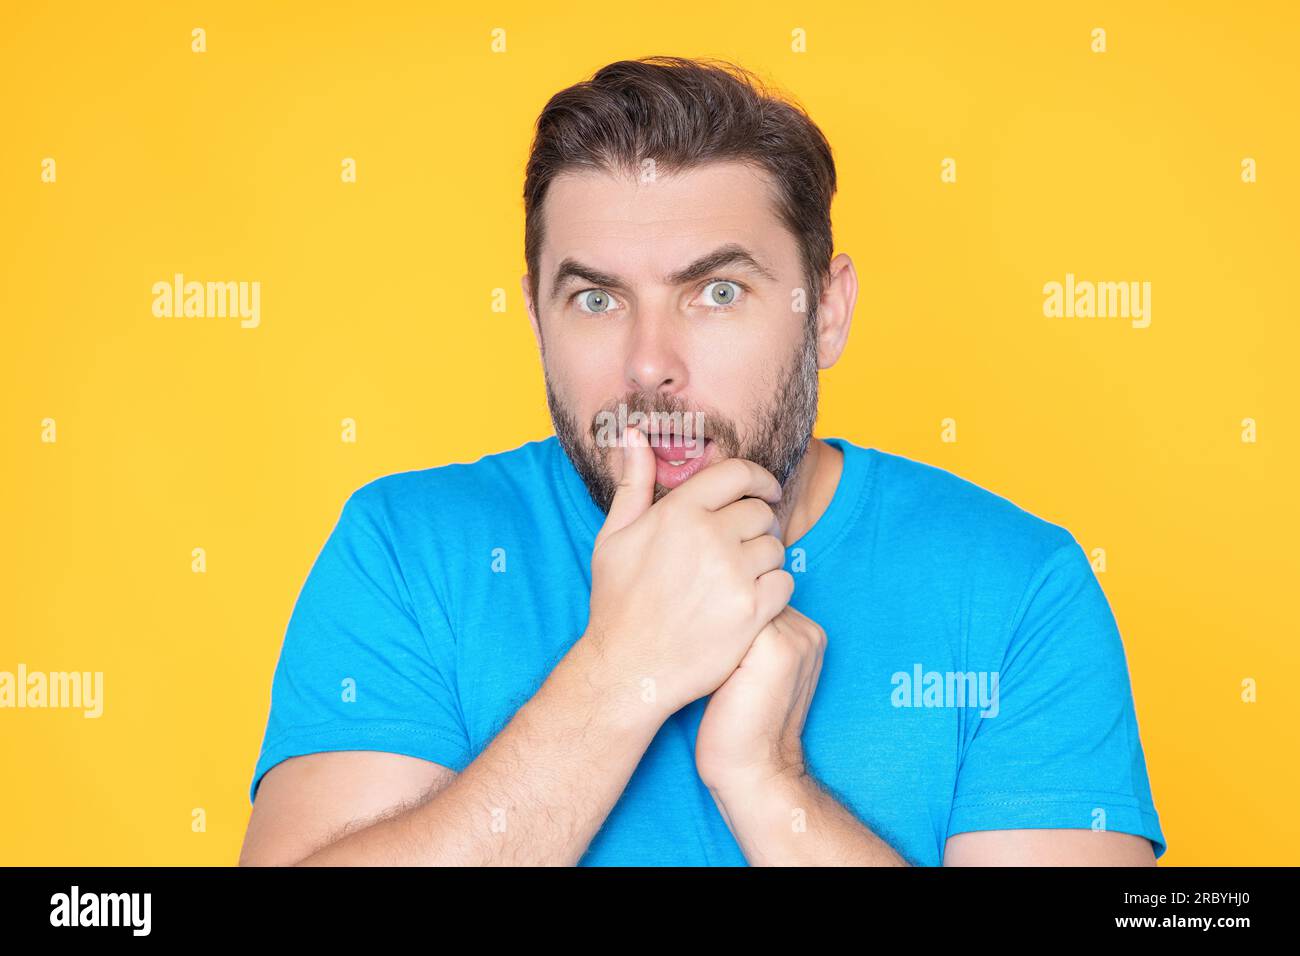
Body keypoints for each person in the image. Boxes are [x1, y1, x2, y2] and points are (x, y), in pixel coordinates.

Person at [240, 56, 1165, 866]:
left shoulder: (1017, 588)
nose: (649, 364)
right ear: (533, 319)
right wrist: (617, 675)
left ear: (827, 312)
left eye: (716, 292)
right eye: (597, 300)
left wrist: (771, 787)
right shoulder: (407, 551)